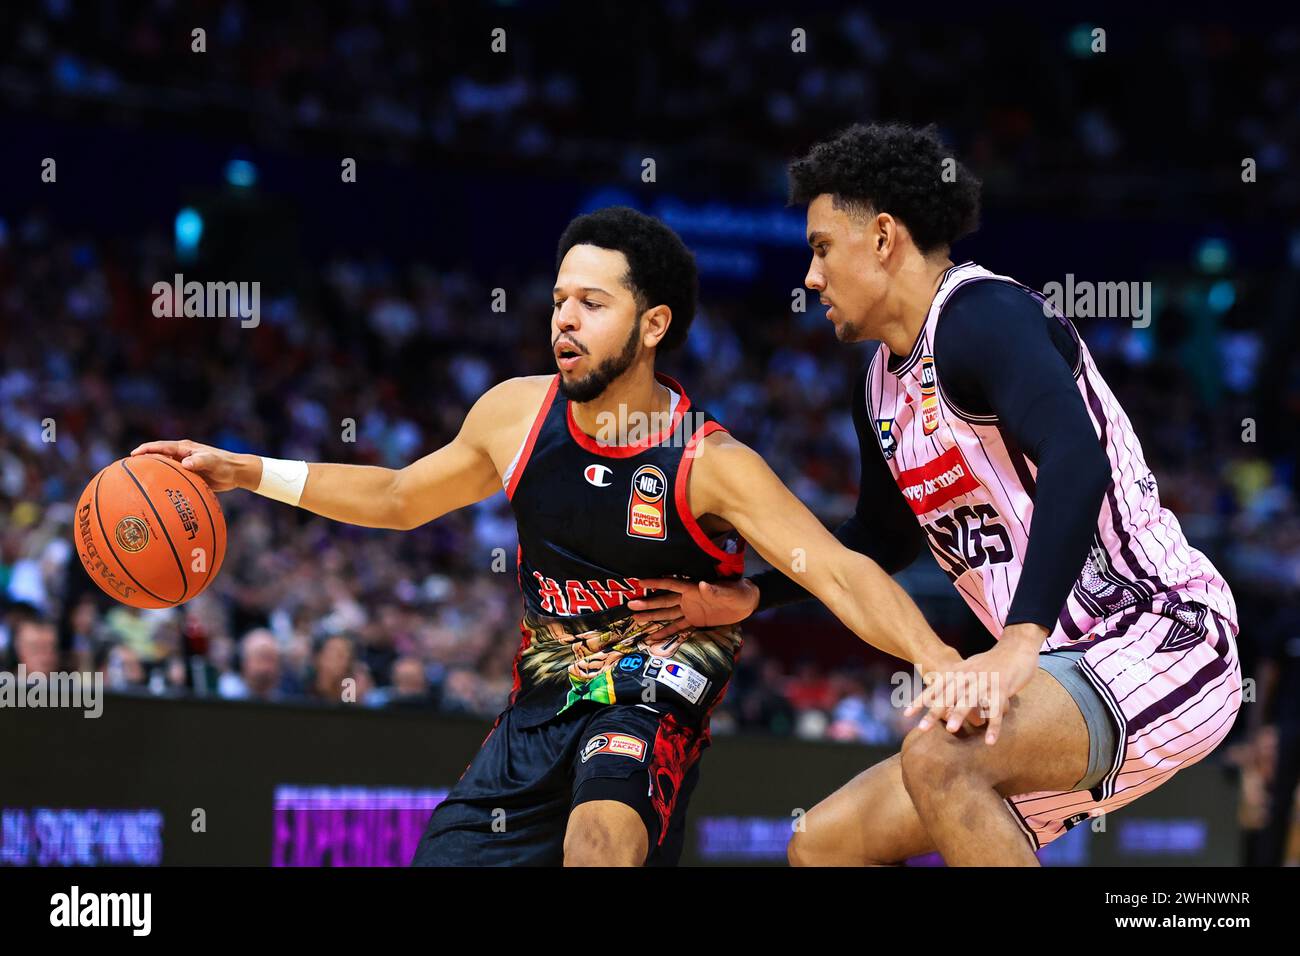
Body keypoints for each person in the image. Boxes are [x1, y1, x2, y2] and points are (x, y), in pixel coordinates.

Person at [132, 206, 959, 867]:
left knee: (598, 839)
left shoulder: (710, 462)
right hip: (538, 707)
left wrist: (939, 662)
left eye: (592, 304)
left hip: (648, 701)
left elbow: (841, 572)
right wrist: (246, 471)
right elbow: (394, 496)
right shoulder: (515, 413)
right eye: (559, 300)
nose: (564, 320)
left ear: (652, 324)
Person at [641, 124, 1242, 866]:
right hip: (1056, 684)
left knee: (938, 756)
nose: (811, 276)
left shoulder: (981, 316)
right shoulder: (878, 388)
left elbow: (1076, 460)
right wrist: (753, 598)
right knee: (820, 846)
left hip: (1160, 634)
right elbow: (880, 540)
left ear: (885, 238)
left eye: (823, 247)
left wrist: (1018, 639)